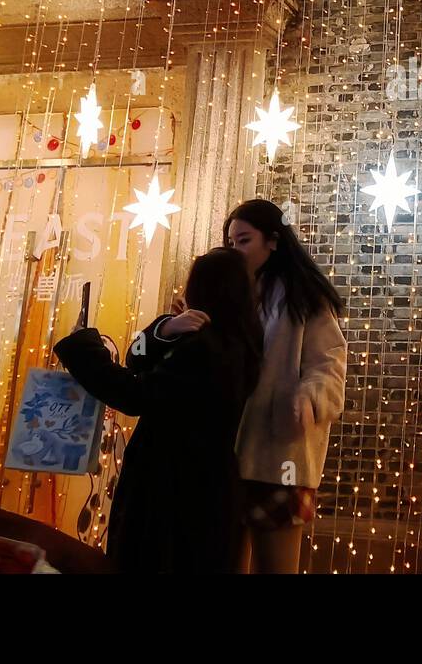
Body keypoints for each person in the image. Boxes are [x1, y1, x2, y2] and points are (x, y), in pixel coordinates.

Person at [54, 248, 261, 573]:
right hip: (205, 484)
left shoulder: (206, 349)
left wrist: (83, 349)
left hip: (174, 486)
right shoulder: (236, 341)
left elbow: (136, 394)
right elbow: (138, 360)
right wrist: (166, 329)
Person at [224, 198, 347, 574]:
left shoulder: (302, 297)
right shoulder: (233, 295)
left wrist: (310, 399)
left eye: (243, 240)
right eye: (230, 243)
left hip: (280, 456)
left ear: (273, 241)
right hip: (226, 455)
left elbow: (328, 362)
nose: (235, 251)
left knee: (275, 566)